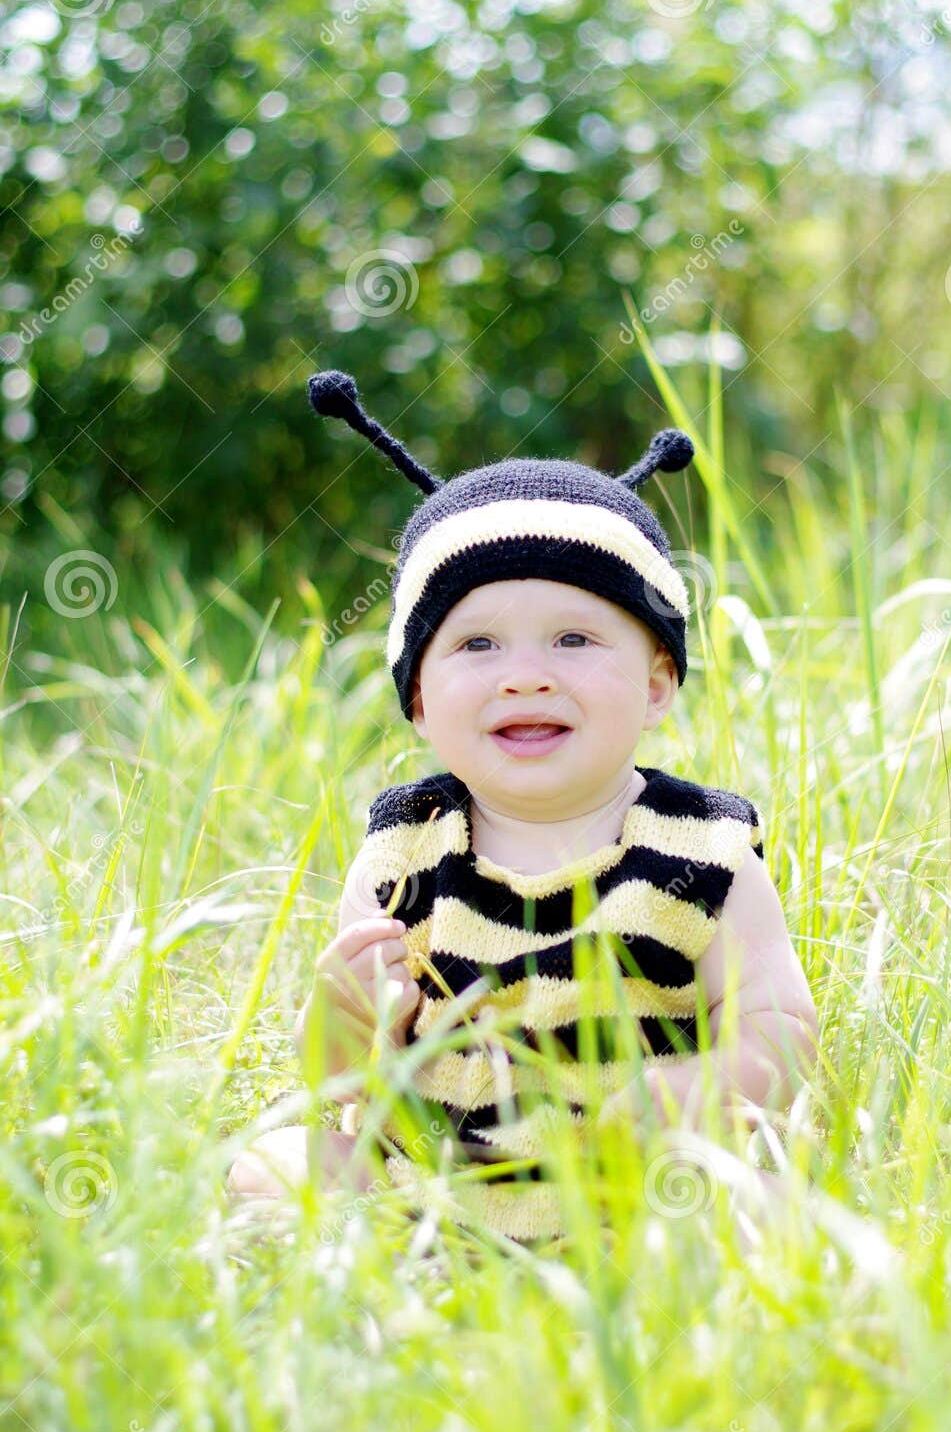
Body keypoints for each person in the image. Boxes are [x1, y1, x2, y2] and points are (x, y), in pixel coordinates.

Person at [227, 370, 820, 1243]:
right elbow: (350, 1089)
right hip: (430, 1188)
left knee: (773, 1210)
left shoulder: (703, 854)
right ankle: (407, 1273)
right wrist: (344, 1011)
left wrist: (699, 1088)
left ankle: (636, 1277)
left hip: (633, 1191)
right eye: (476, 644)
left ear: (657, 684)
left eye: (574, 639)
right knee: (271, 1165)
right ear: (420, 701)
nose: (526, 673)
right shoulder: (405, 855)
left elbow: (779, 1027)